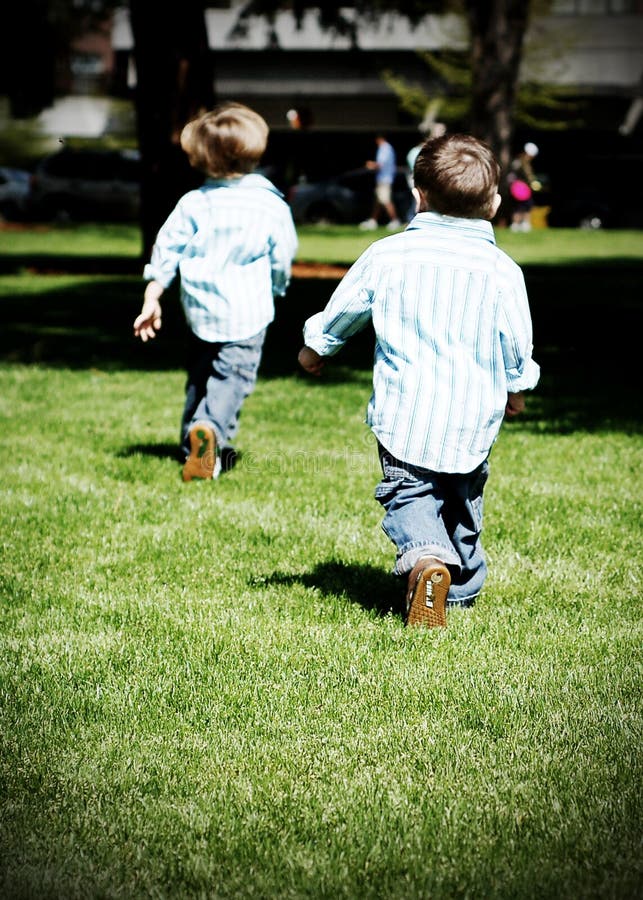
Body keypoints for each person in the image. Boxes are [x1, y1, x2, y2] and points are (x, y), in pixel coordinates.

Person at [298, 134, 540, 628]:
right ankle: (458, 591)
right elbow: (516, 341)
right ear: (494, 205)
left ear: (417, 195)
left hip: (405, 414)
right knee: (462, 500)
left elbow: (345, 309)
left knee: (409, 493)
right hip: (473, 416)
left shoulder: (388, 255)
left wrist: (316, 348)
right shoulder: (502, 271)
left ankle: (427, 560)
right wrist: (516, 388)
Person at [133, 103, 298, 481]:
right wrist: (278, 286)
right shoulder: (269, 204)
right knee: (232, 379)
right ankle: (207, 430)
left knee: (201, 374)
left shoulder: (193, 203)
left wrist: (153, 295)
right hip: (248, 311)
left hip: (201, 310)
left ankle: (192, 444)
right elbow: (282, 254)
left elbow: (166, 249)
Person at [359, 134, 401, 231]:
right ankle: (373, 220)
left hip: (384, 179)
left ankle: (395, 220)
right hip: (383, 179)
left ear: (379, 139)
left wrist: (370, 165)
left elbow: (380, 164)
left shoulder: (385, 148)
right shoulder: (388, 148)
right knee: (378, 201)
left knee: (385, 200)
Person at [508, 141, 539, 232]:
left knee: (526, 206)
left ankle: (525, 224)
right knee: (518, 207)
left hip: (525, 189)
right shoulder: (518, 162)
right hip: (519, 189)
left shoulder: (525, 163)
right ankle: (516, 224)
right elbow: (512, 175)